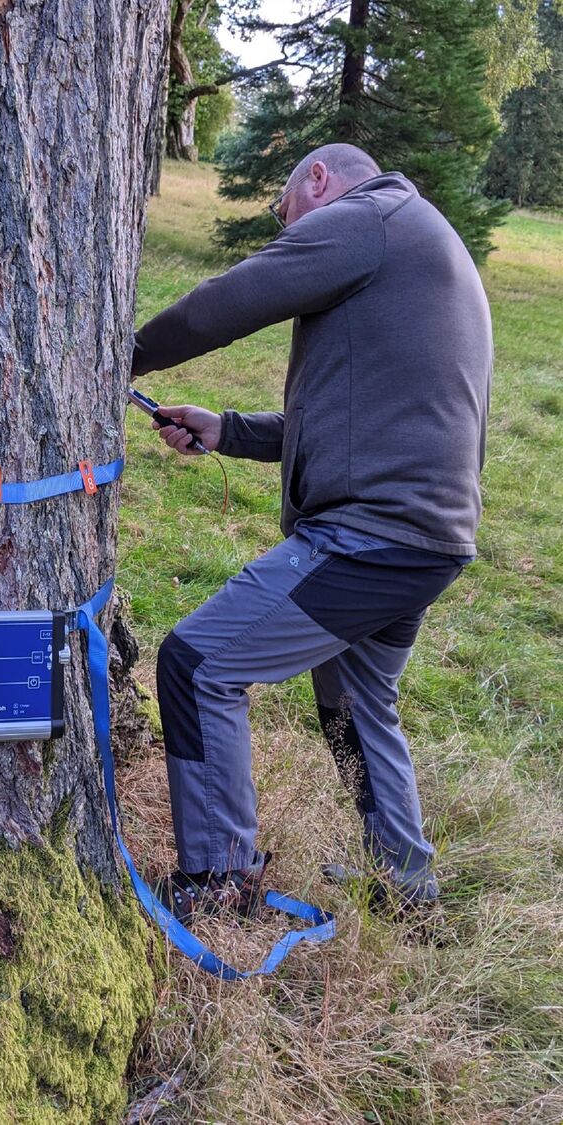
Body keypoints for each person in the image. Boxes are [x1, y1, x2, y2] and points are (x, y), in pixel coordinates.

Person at [130, 143, 492, 922]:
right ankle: (407, 891)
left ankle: (221, 883)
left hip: (378, 536)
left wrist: (119, 353)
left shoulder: (369, 218)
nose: (286, 226)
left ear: (319, 182)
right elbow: (357, 423)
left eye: (284, 210)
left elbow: (234, 299)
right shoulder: (416, 236)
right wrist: (227, 429)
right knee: (358, 704)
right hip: (429, 537)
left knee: (199, 666)